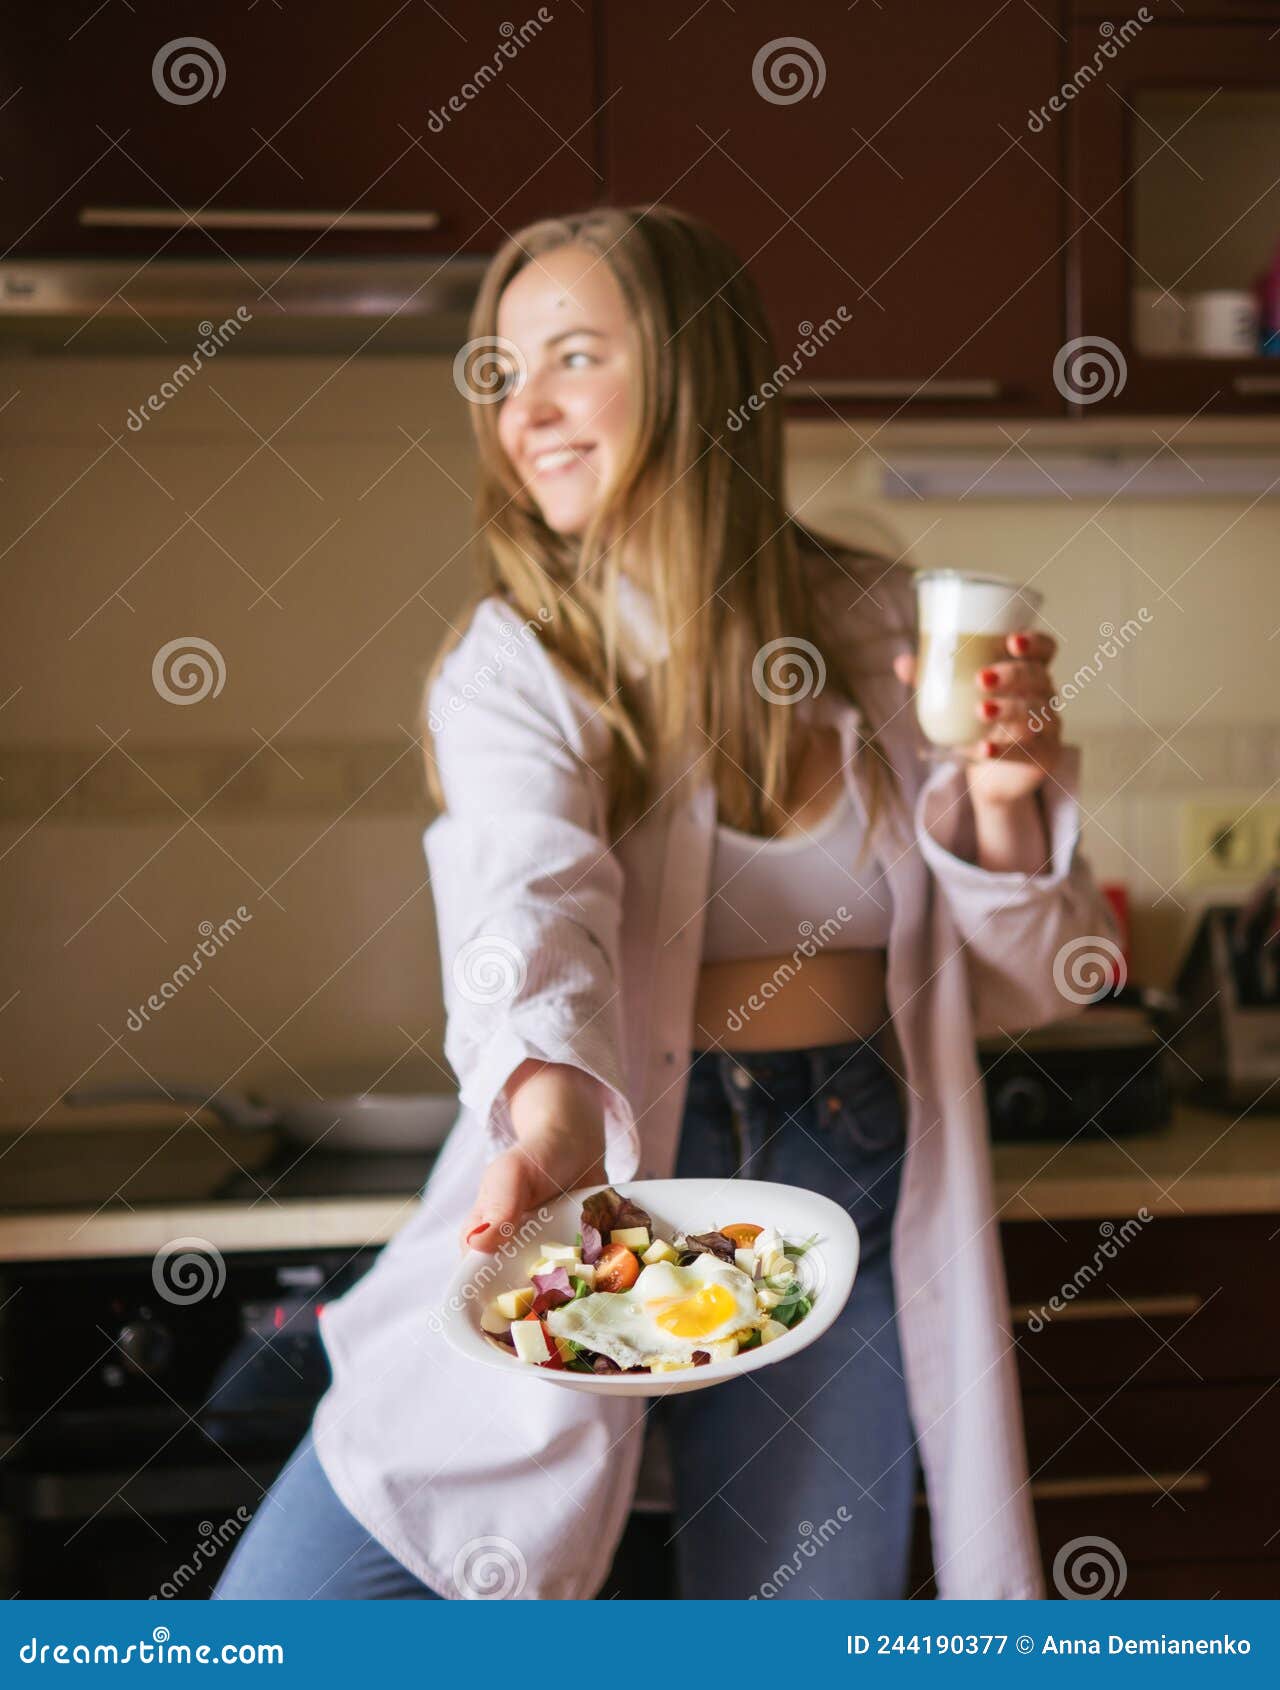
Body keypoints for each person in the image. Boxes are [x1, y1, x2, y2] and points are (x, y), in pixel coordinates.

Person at [214, 204, 1117, 1602]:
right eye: (503, 375)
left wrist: (1006, 797)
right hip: (598, 1169)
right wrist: (556, 1118)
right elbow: (531, 894)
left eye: (573, 356)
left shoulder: (884, 631)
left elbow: (1043, 981)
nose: (527, 412)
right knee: (292, 1612)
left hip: (834, 1181)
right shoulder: (520, 662)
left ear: (700, 374)